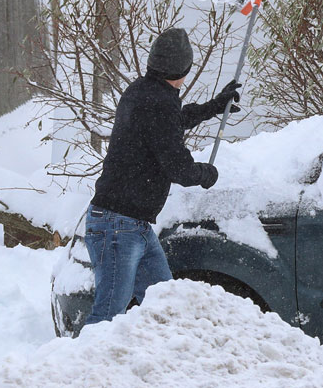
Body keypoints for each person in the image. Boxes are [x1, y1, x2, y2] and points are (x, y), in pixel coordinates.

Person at [82, 27, 242, 327]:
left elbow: (170, 124)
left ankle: (160, 367)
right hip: (119, 226)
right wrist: (206, 174)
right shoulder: (159, 101)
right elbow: (178, 168)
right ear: (185, 68)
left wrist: (213, 107)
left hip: (131, 225)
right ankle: (76, 373)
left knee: (166, 308)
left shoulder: (141, 91)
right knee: (106, 317)